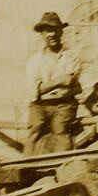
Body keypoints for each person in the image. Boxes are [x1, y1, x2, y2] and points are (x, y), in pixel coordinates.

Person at [23, 12, 81, 155]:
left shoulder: (72, 56)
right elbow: (34, 91)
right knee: (36, 129)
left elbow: (69, 83)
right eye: (47, 31)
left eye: (54, 29)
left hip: (64, 105)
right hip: (40, 105)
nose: (51, 34)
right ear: (42, 35)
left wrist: (45, 86)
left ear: (61, 31)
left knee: (61, 132)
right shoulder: (35, 60)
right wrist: (58, 81)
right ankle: (24, 168)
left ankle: (61, 169)